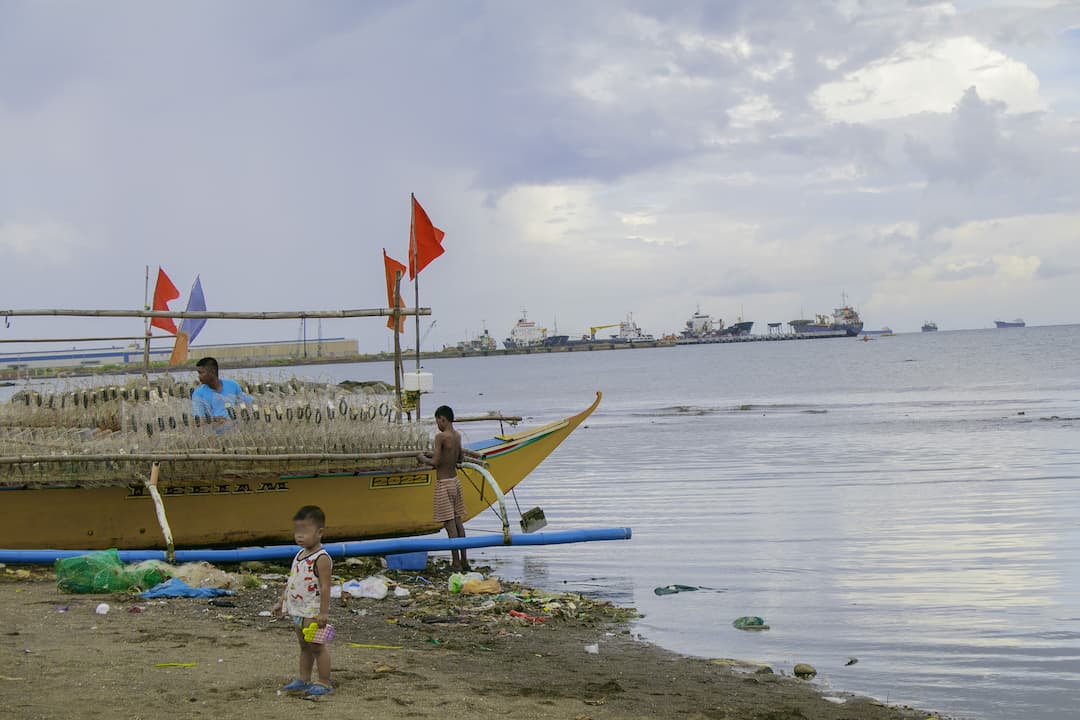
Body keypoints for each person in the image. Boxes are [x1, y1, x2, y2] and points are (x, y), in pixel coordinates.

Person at [271, 505, 333, 696]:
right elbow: (292, 581)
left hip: (312, 611)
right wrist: (281, 602)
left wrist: (323, 612)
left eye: (305, 531)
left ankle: (324, 681)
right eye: (297, 530)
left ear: (319, 532)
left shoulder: (322, 558)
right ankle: (304, 678)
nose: (299, 535)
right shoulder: (299, 554)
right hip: (297, 609)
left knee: (317, 646)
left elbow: (325, 587)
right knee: (304, 646)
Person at [417, 405, 469, 571]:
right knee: (458, 522)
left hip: (444, 483)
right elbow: (460, 458)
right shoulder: (457, 436)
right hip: (455, 481)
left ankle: (456, 563)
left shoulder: (441, 437)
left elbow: (435, 462)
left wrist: (422, 458)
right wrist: (438, 455)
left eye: (437, 421)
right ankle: (464, 560)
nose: (437, 424)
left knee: (449, 524)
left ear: (442, 419)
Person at [191, 356, 252, 425]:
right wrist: (215, 420)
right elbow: (197, 420)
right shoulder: (198, 394)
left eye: (201, 373)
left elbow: (246, 402)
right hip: (214, 430)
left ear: (212, 372)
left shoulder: (233, 385)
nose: (199, 376)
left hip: (236, 428)